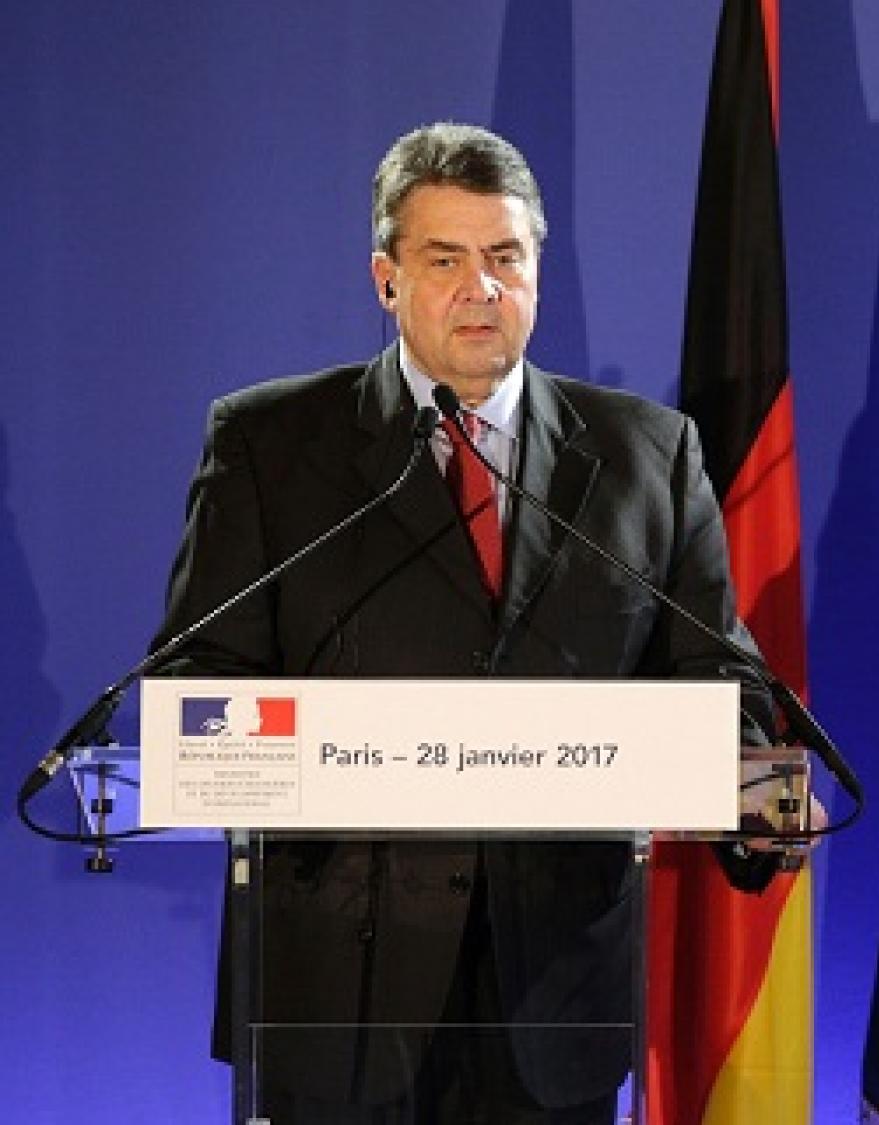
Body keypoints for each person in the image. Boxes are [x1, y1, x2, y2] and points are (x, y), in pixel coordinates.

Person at [153, 122, 782, 1123]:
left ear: (538, 270)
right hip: (335, 993)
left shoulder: (642, 454)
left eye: (504, 258)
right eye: (444, 260)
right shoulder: (271, 444)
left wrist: (754, 794)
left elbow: (718, 676)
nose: (480, 289)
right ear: (385, 280)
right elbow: (198, 676)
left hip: (552, 995)